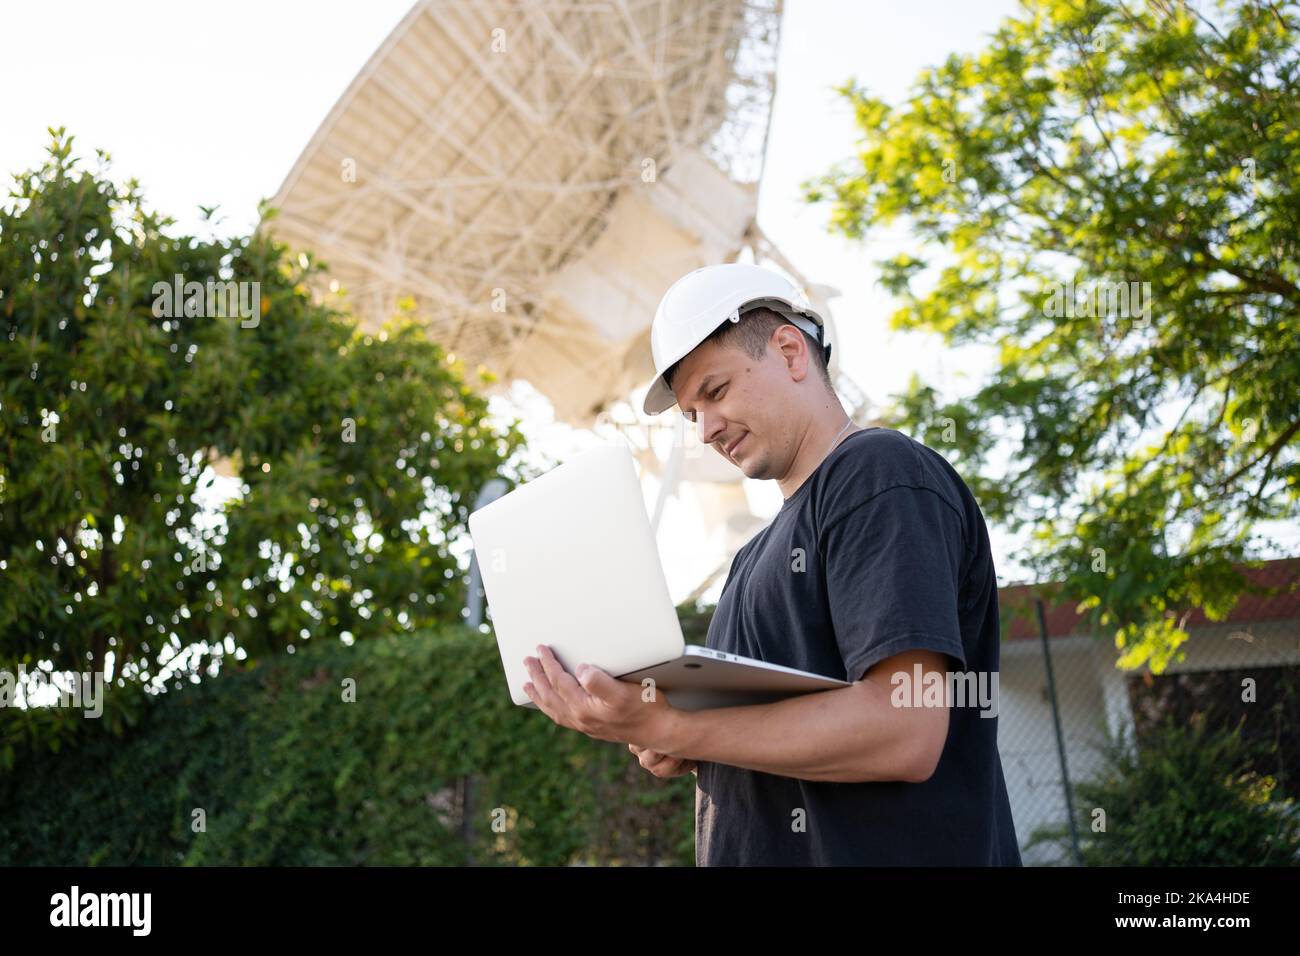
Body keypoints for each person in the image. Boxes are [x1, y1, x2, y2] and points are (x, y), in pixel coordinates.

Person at [521, 263, 1021, 865]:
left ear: (789, 351)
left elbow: (904, 730)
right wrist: (685, 735)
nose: (704, 430)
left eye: (716, 391)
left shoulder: (879, 474)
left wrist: (675, 728)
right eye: (690, 414)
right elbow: (774, 728)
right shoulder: (751, 559)